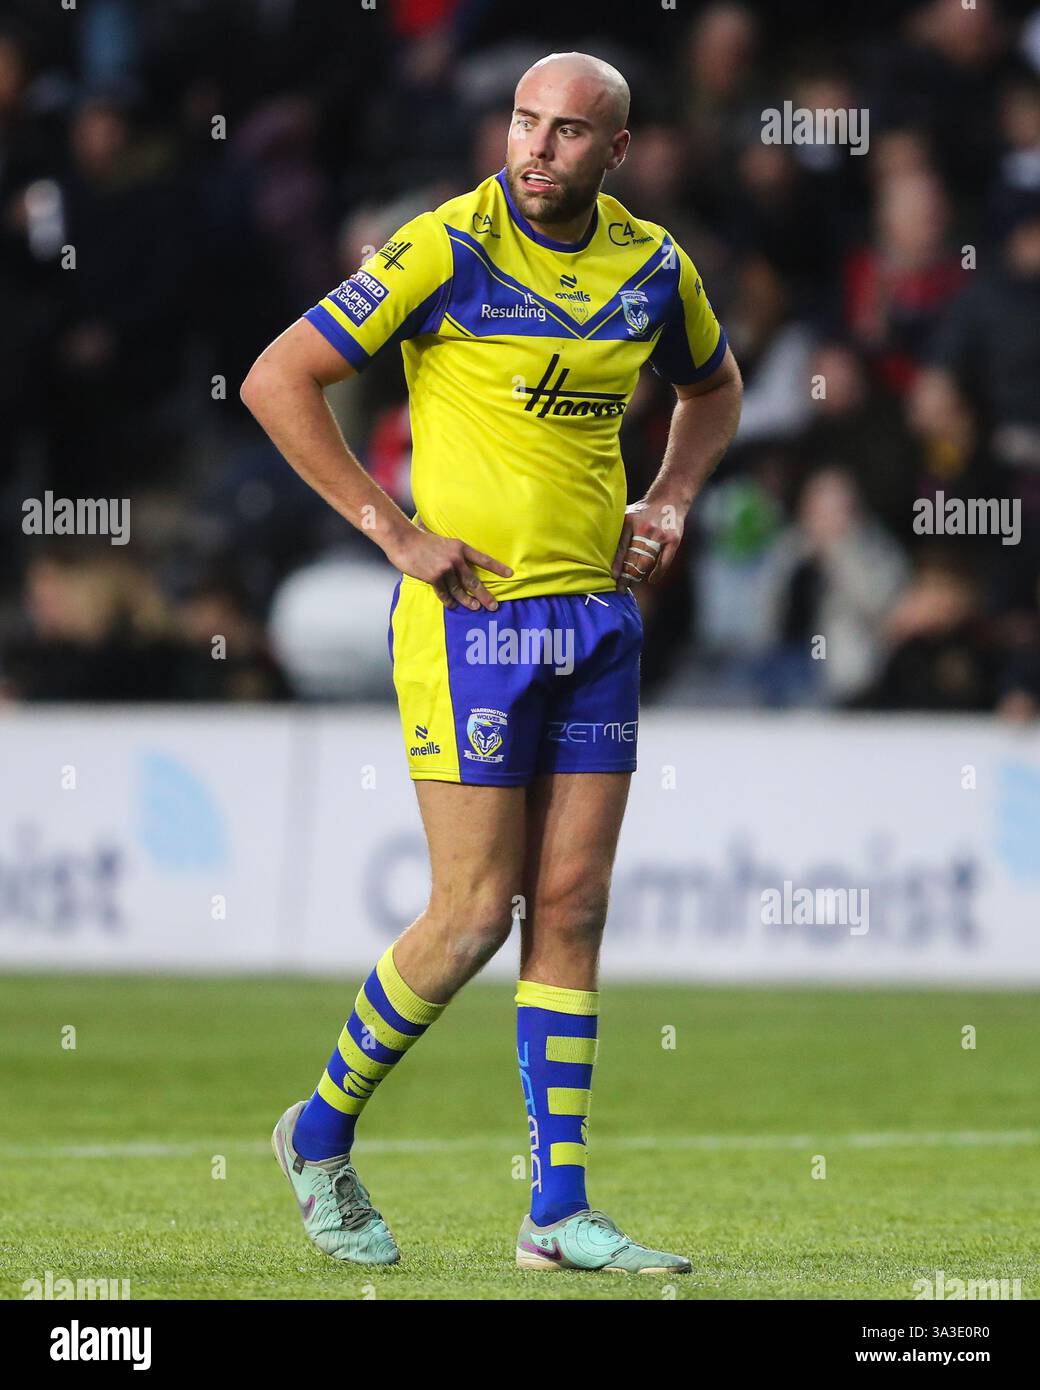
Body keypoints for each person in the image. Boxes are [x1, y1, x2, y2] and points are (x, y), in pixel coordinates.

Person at [241, 51, 742, 1274]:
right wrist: (393, 529)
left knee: (568, 908)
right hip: (472, 624)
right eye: (523, 121)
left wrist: (671, 495)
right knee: (473, 914)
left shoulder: (652, 267)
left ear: (613, 152)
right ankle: (315, 1133)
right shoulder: (441, 248)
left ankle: (555, 1211)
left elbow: (712, 386)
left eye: (568, 133)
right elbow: (277, 378)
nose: (535, 148)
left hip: (597, 622)